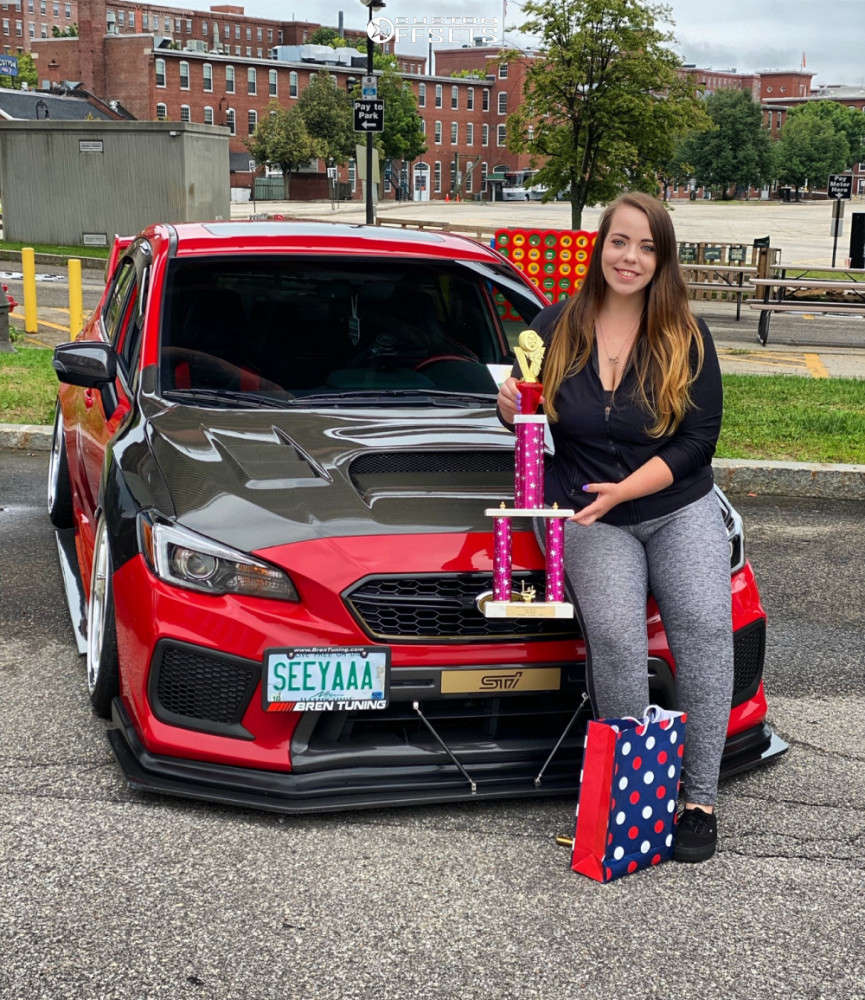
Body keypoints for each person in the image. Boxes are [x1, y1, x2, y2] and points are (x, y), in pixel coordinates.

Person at [497, 191, 732, 863]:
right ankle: (634, 798)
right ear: (599, 246)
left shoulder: (685, 333)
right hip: (585, 514)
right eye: (619, 242)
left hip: (674, 503)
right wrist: (505, 402)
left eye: (646, 246)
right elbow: (527, 423)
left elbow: (698, 441)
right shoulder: (551, 326)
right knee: (619, 644)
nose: (629, 257)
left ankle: (698, 798)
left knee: (705, 628)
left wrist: (629, 487)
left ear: (663, 261)